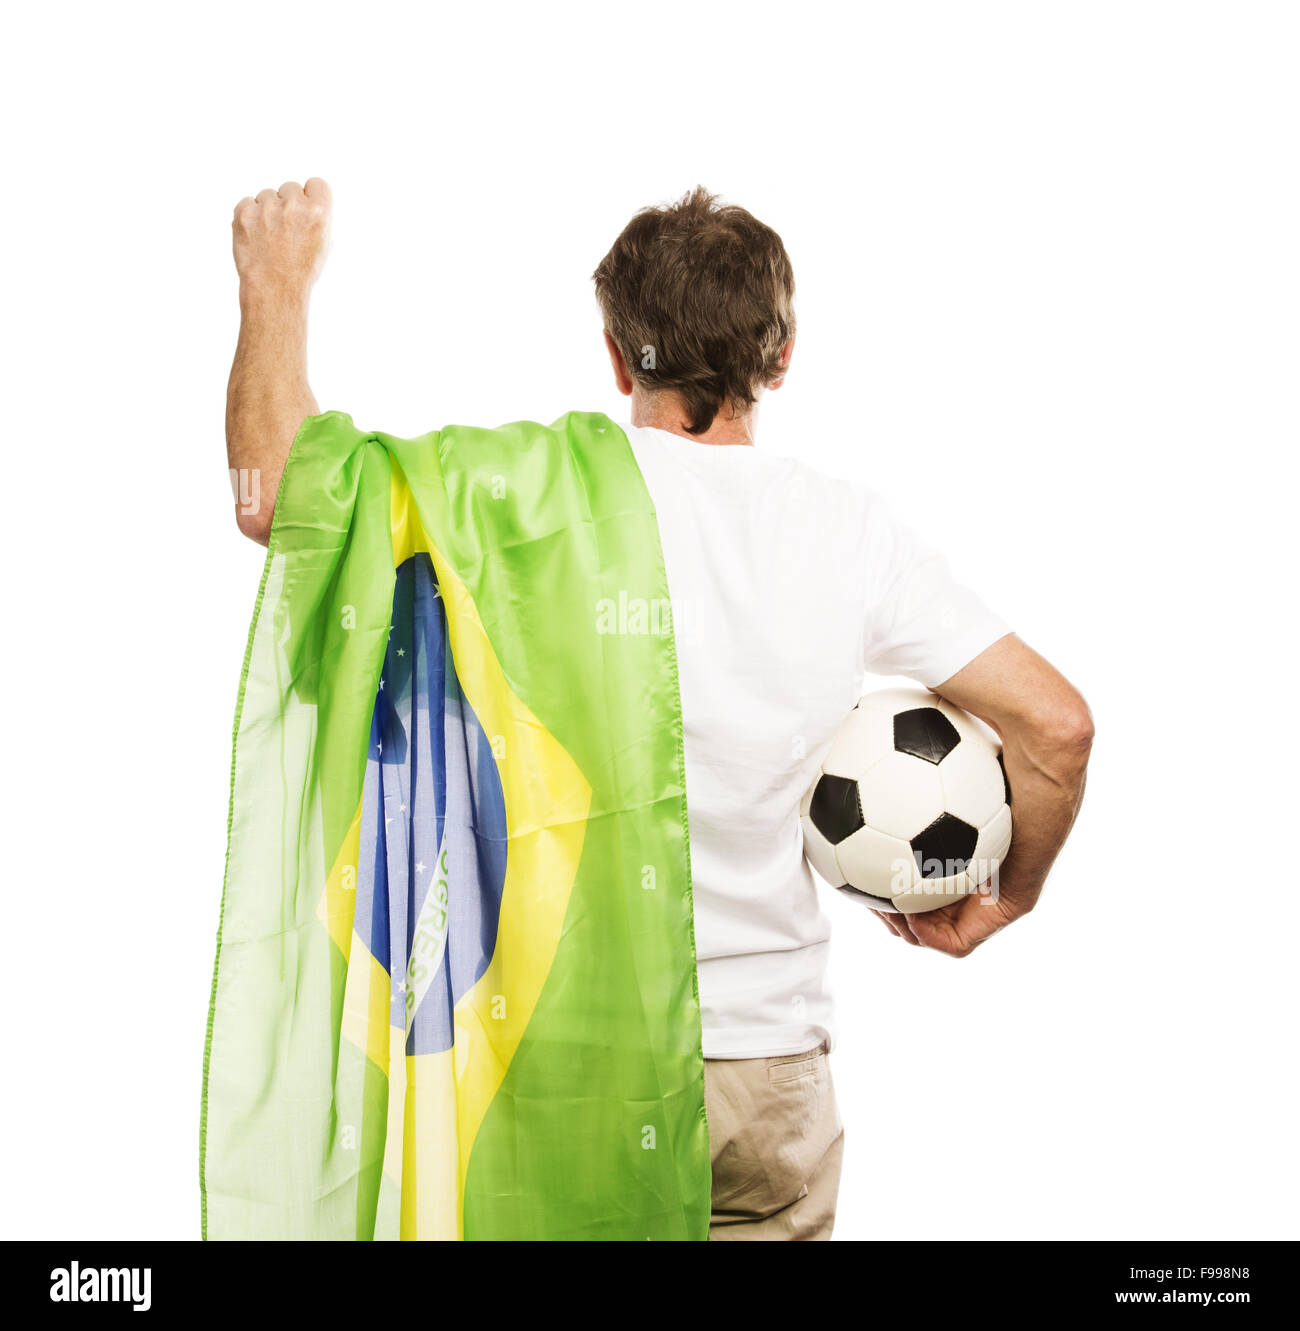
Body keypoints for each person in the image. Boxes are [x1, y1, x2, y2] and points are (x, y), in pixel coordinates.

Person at [225, 178, 1094, 1241]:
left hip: (576, 1052)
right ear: (779, 359)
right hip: (766, 1066)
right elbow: (1056, 727)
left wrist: (274, 287)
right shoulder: (848, 532)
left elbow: (272, 498)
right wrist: (1004, 897)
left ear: (613, 352)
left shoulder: (522, 500)